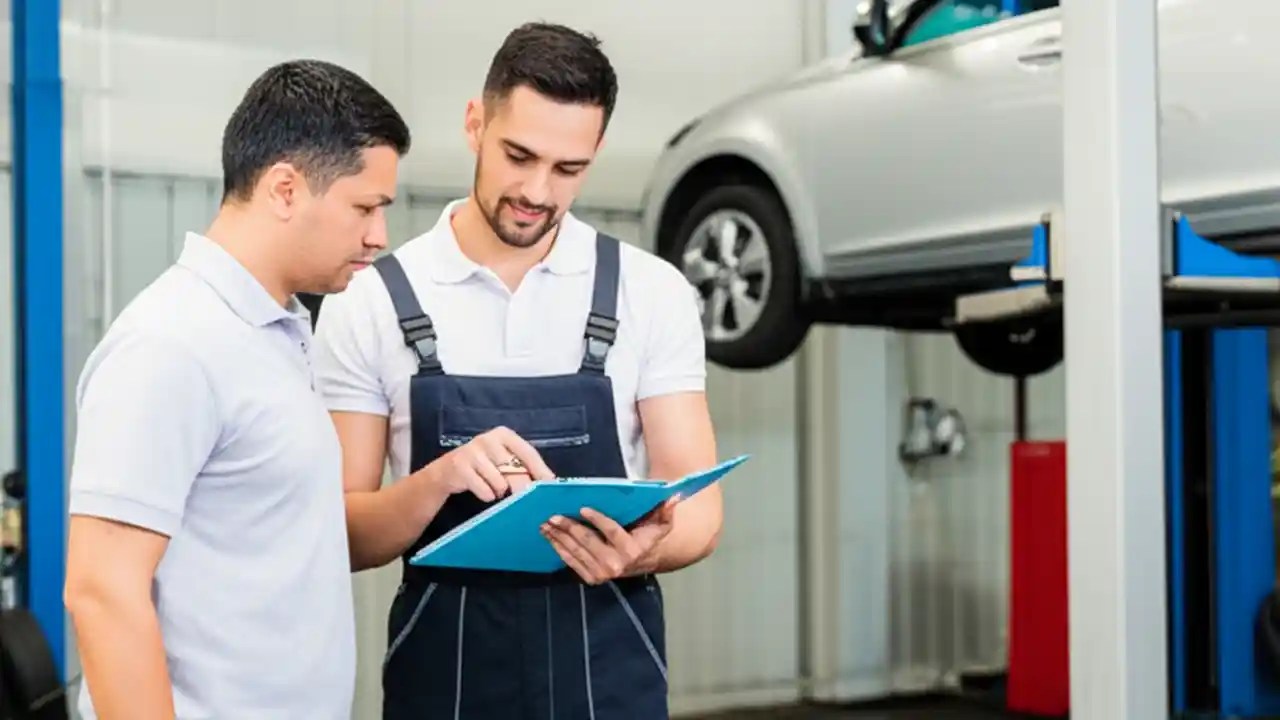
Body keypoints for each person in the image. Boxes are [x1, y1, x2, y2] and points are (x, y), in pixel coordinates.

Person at [312, 21, 723, 720]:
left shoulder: (650, 294)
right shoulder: (371, 300)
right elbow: (341, 533)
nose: (537, 190)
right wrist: (439, 480)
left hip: (609, 668)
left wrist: (635, 553)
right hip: (446, 677)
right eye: (519, 155)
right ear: (476, 123)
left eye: (568, 169)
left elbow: (701, 514)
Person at [62, 59, 410, 719]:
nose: (378, 237)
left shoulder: (274, 334)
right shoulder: (173, 343)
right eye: (365, 207)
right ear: (285, 189)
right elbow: (101, 590)